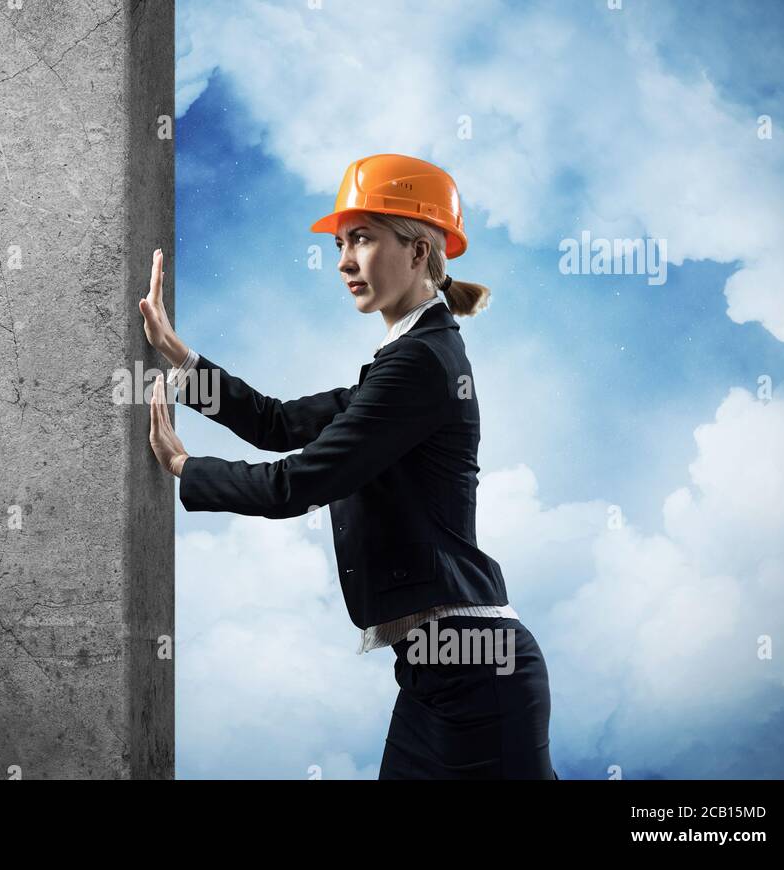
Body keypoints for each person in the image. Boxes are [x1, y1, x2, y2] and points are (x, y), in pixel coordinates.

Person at [140, 153, 558, 780]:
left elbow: (299, 483)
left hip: (476, 676)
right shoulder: (405, 361)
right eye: (340, 242)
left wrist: (184, 466)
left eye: (361, 238)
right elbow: (278, 423)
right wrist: (181, 360)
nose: (342, 260)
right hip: (441, 675)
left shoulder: (420, 366)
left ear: (420, 251)